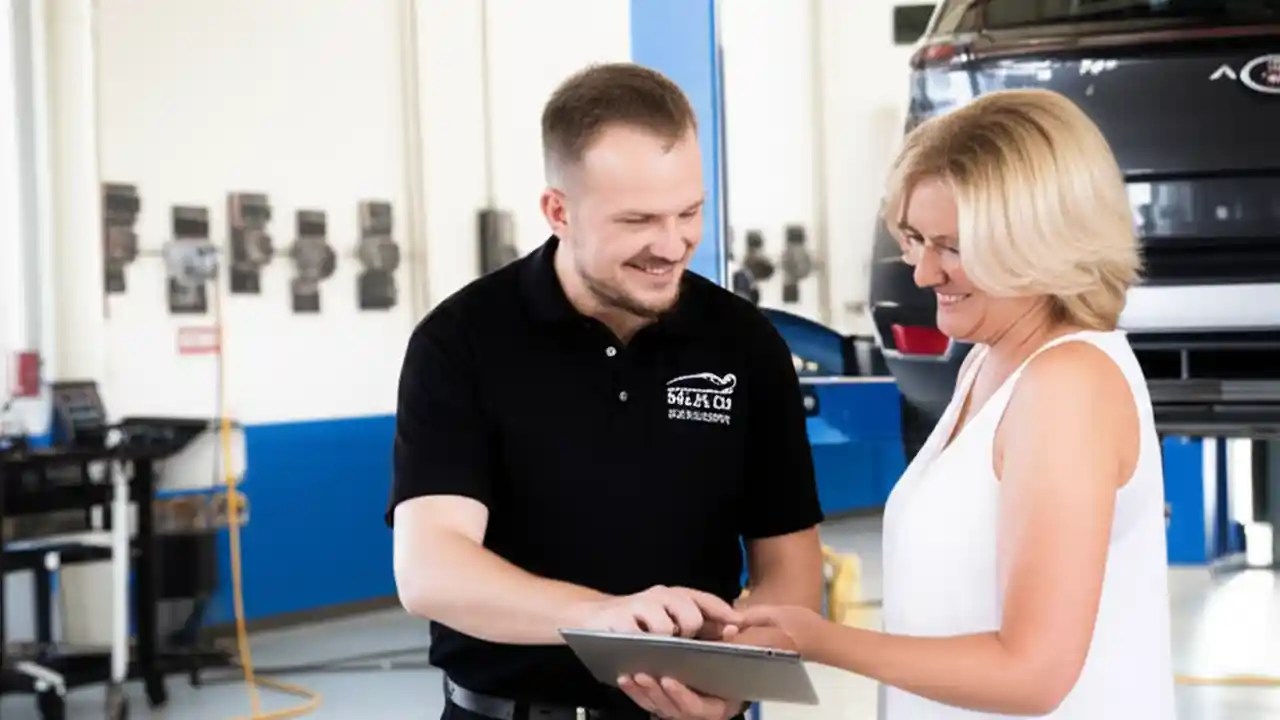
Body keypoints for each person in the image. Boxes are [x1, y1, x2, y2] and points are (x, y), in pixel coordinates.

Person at [386, 62, 826, 720]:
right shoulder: (462, 341)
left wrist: (739, 676)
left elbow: (789, 564)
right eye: (638, 220)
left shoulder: (745, 344)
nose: (672, 245)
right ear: (558, 211)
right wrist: (601, 619)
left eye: (689, 212)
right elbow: (431, 568)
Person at [736, 88, 1178, 718]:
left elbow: (1032, 674)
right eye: (916, 239)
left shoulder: (1067, 384)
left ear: (1044, 239)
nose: (923, 273)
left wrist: (820, 639)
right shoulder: (989, 361)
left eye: (954, 247)